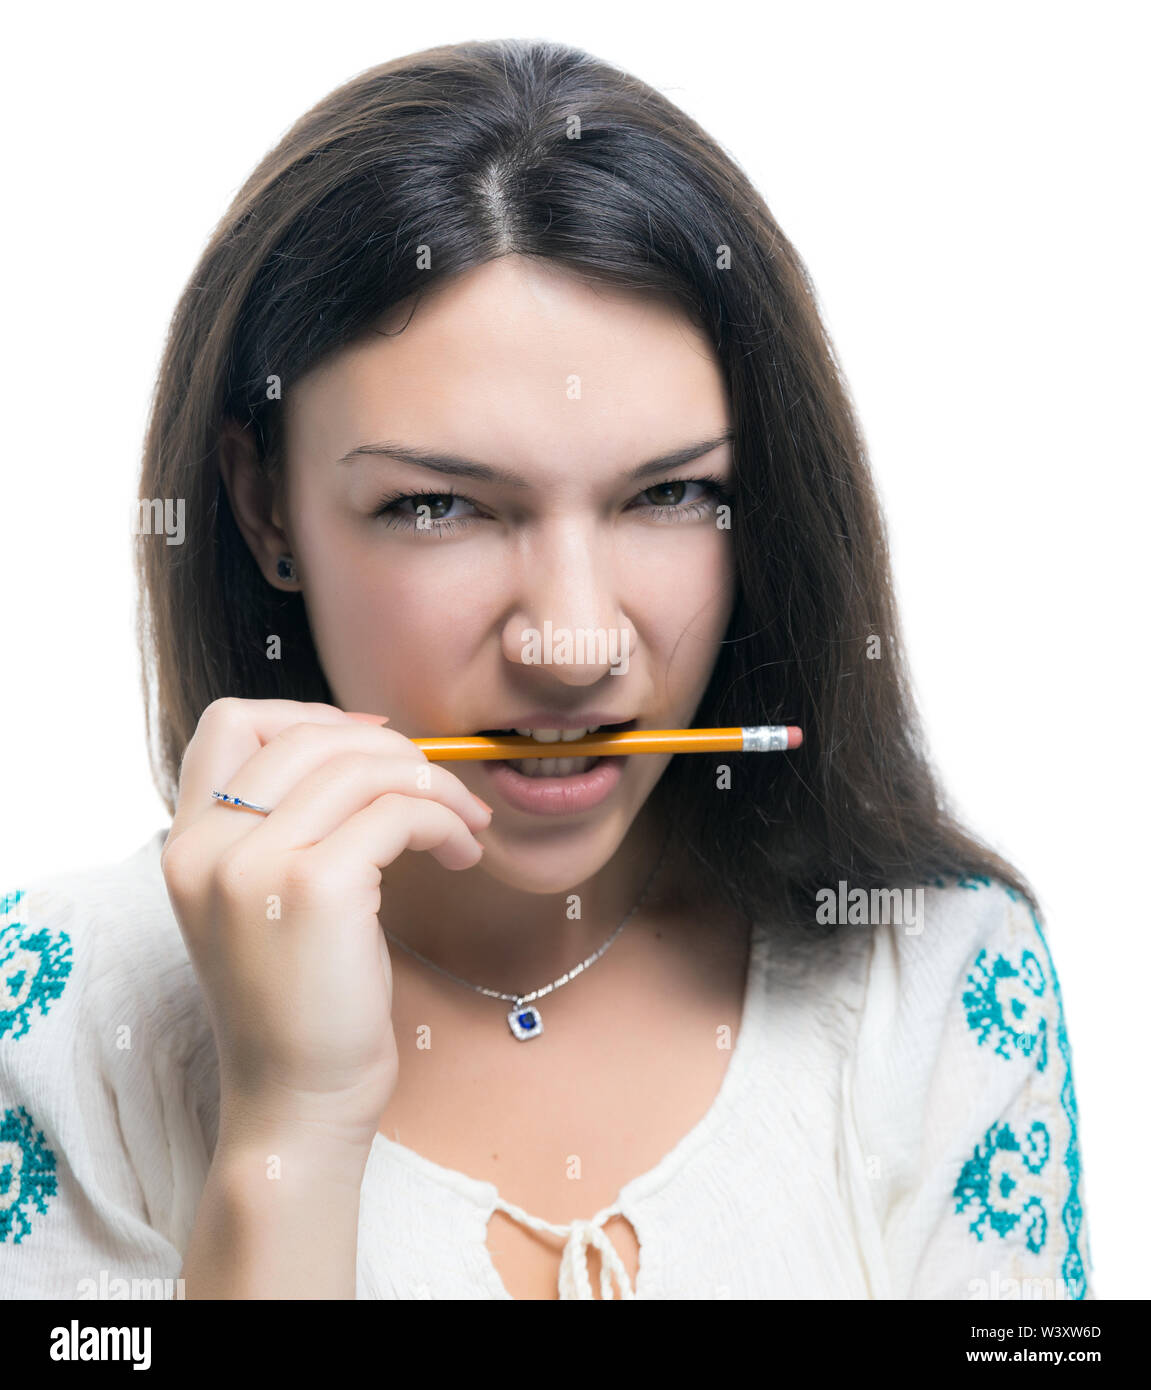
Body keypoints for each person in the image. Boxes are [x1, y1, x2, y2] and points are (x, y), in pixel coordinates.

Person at [0, 37, 1092, 1301]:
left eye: (671, 493)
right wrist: (289, 1129)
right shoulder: (59, 1015)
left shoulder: (937, 972)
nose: (573, 642)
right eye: (438, 508)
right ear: (264, 509)